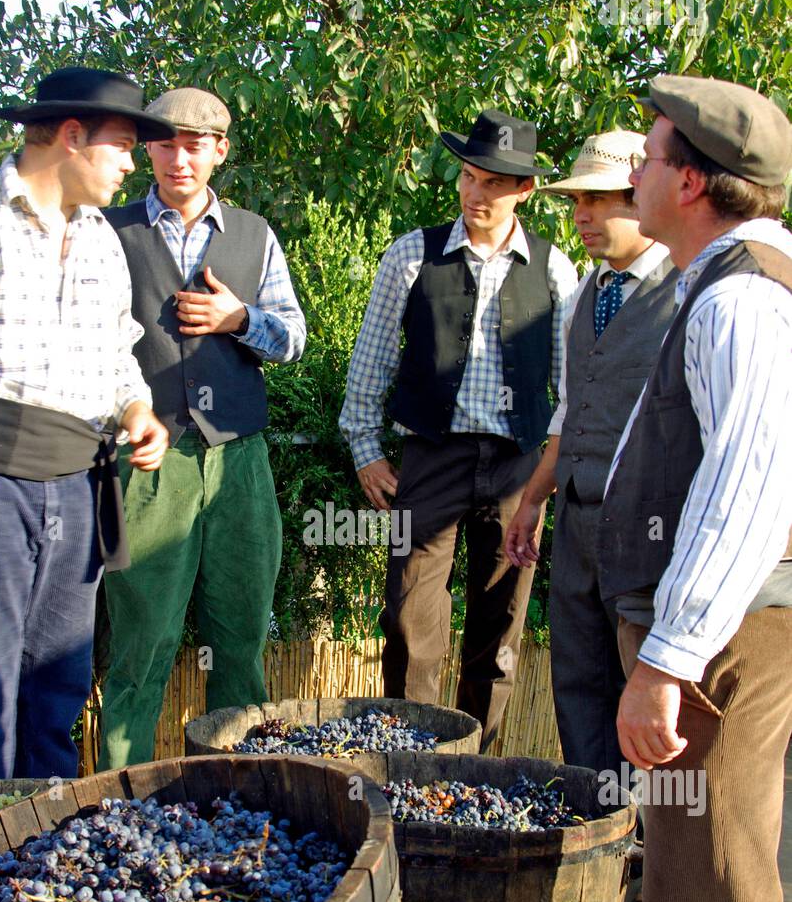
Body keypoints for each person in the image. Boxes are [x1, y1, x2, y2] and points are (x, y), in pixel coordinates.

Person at [594, 75, 792, 902]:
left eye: (648, 151)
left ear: (691, 180)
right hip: (715, 631)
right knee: (681, 871)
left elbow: (750, 493)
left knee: (719, 880)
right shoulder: (720, 281)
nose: (630, 172)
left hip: (727, 640)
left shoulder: (743, 300)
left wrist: (668, 661)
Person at [0, 67, 173, 784]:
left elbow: (117, 353)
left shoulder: (100, 240)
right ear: (70, 138)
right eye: (123, 146)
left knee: (55, 697)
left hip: (75, 486)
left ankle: (41, 878)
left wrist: (136, 410)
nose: (132, 165)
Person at [339, 109, 578, 752]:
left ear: (524, 190)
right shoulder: (410, 255)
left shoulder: (555, 271)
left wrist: (545, 477)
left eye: (494, 184)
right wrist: (366, 449)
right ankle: (407, 771)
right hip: (429, 459)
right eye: (470, 178)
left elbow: (571, 388)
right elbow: (371, 361)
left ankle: (480, 774)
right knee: (409, 623)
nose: (476, 194)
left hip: (516, 469)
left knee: (500, 632)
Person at [97, 86, 306, 770]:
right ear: (147, 147)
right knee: (140, 650)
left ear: (220, 151)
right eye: (165, 141)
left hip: (240, 462)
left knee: (241, 644)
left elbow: (295, 338)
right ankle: (119, 806)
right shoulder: (110, 231)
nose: (178, 157)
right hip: (149, 466)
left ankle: (240, 796)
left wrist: (239, 320)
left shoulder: (254, 234)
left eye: (195, 144)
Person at [504, 131, 679, 776]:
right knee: (577, 678)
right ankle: (598, 835)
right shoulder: (582, 297)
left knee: (646, 685)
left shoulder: (688, 293)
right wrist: (533, 498)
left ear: (644, 198)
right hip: (578, 518)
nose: (581, 216)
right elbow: (571, 408)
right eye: (577, 202)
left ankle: (650, 848)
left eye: (599, 201)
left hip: (648, 528)